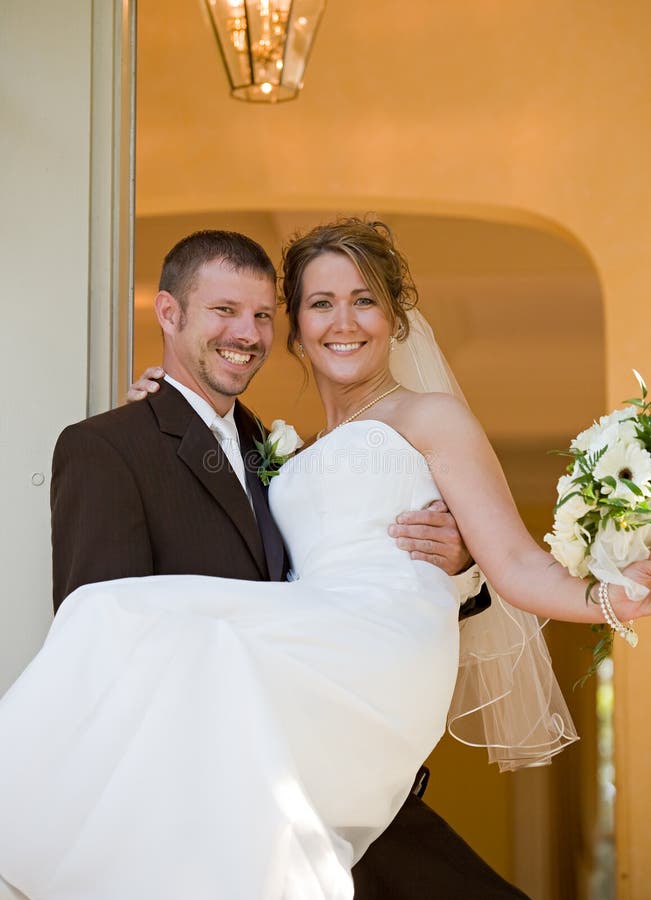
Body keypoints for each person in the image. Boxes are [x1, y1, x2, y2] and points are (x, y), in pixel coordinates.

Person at [0, 222, 649, 900]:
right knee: (111, 616)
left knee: (154, 628)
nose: (344, 321)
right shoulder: (277, 451)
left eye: (364, 301)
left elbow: (513, 561)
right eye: (320, 304)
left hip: (374, 650)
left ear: (394, 318)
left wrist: (608, 595)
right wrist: (156, 416)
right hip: (302, 675)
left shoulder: (431, 418)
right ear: (301, 329)